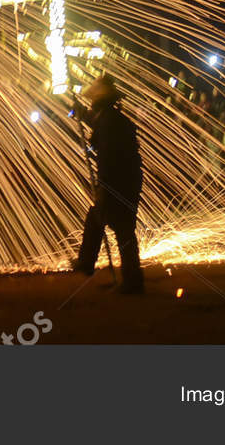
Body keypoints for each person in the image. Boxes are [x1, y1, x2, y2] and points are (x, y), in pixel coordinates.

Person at [71, 74, 144, 293]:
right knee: (103, 221)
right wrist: (80, 113)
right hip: (125, 179)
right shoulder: (109, 117)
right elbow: (94, 123)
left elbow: (109, 158)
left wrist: (104, 186)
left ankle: (131, 282)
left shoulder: (109, 121)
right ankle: (89, 264)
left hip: (119, 181)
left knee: (121, 229)